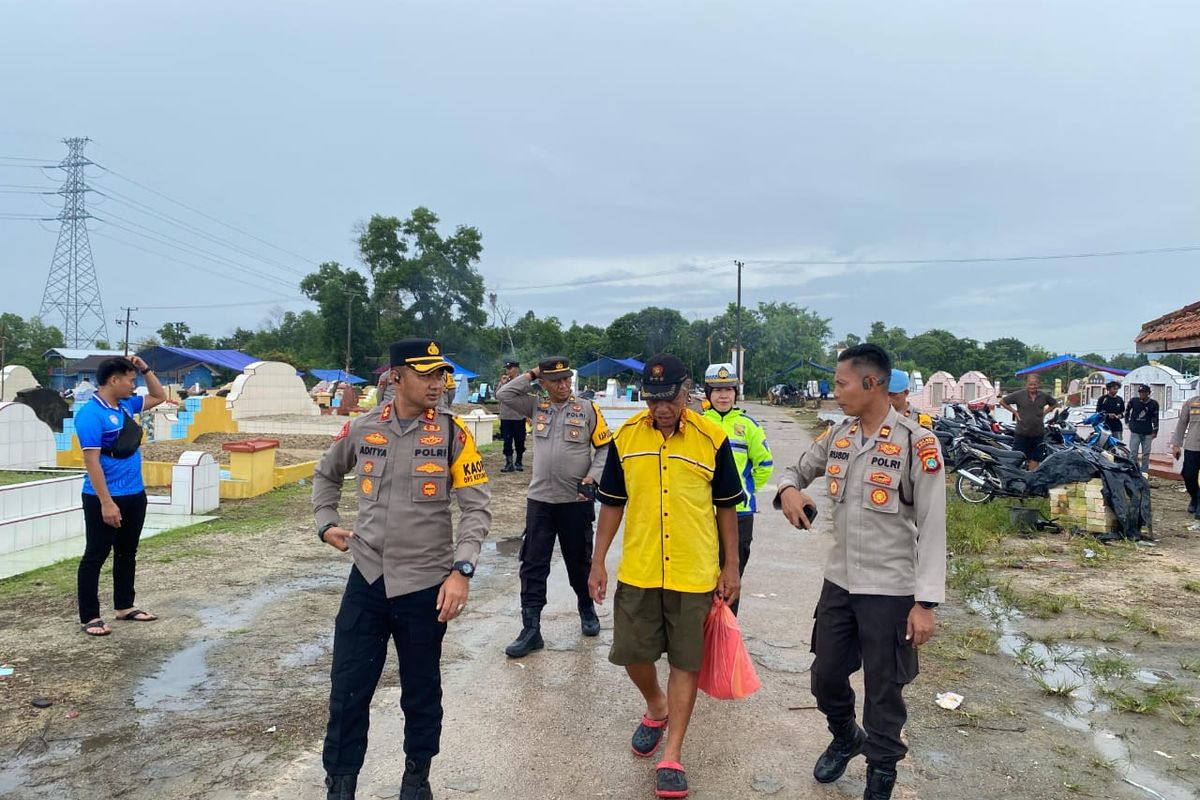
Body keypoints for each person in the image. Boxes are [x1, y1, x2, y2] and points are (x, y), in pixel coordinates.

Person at [312, 339, 491, 800]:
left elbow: (476, 509)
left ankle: (417, 775)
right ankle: (341, 781)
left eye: (440, 375)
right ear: (396, 377)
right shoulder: (362, 427)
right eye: (427, 374)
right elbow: (326, 473)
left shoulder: (454, 433)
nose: (438, 383)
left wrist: (462, 570)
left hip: (425, 585)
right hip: (367, 579)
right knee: (349, 689)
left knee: (421, 689)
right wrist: (326, 522)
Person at [774, 344, 946, 800]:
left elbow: (932, 526)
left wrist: (925, 603)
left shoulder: (917, 443)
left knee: (884, 691)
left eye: (841, 383)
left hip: (891, 590)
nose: (835, 392)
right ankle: (845, 734)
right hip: (841, 582)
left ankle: (880, 775)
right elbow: (795, 470)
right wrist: (788, 491)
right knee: (826, 676)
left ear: (872, 384)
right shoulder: (839, 436)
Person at [588, 354, 744, 800]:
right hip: (639, 567)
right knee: (632, 654)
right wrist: (598, 561)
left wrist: (730, 566)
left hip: (694, 571)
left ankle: (672, 752)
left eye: (669, 399)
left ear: (686, 391)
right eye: (652, 400)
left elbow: (727, 506)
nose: (661, 409)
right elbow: (612, 503)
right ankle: (655, 704)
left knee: (685, 661)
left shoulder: (712, 437)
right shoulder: (626, 438)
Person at [495, 357, 612, 657]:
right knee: (533, 564)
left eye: (566, 379)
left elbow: (605, 448)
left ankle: (586, 609)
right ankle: (531, 629)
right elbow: (504, 395)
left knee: (579, 561)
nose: (563, 385)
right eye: (555, 380)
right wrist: (532, 373)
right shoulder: (536, 406)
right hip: (541, 501)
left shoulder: (587, 409)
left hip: (575, 501)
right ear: (543, 383)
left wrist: (593, 477)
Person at [75, 356, 167, 636]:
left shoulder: (125, 406)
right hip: (103, 497)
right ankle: (90, 616)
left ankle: (124, 606)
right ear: (113, 380)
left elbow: (159, 396)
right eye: (130, 379)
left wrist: (145, 368)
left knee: (128, 552)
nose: (133, 385)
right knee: (96, 555)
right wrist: (106, 502)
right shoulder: (91, 415)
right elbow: (92, 462)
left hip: (133, 494)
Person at [700, 362, 774, 615]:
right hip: (700, 513)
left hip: (739, 514)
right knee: (700, 578)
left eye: (729, 390)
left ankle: (726, 634)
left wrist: (746, 491)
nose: (724, 396)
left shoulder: (749, 426)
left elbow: (764, 465)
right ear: (708, 393)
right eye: (718, 390)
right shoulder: (697, 424)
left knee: (731, 577)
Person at [1000, 374, 1057, 470]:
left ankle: (1031, 478)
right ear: (1026, 384)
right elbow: (1003, 401)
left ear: (1038, 384)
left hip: (1038, 433)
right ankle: (1015, 479)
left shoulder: (1043, 396)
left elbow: (1054, 403)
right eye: (1030, 384)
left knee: (1035, 458)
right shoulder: (1019, 395)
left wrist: (1045, 413)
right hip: (1022, 432)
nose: (1032, 387)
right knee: (1016, 458)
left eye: (1034, 384)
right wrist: (1014, 412)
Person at [1171, 393, 1200, 520]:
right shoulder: (1190, 403)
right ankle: (1195, 497)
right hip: (1193, 446)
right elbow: (1182, 424)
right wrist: (1176, 445)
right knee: (1188, 475)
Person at [496, 359, 527, 473]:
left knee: (520, 440)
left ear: (516, 369)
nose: (508, 371)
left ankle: (519, 461)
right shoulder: (504, 381)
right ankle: (509, 463)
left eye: (510, 368)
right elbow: (498, 396)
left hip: (518, 415)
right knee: (507, 441)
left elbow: (525, 397)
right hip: (506, 416)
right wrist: (502, 384)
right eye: (506, 368)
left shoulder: (522, 381)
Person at [1125, 384, 1159, 473]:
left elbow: (1156, 418)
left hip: (1147, 432)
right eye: (1140, 392)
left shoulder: (1153, 404)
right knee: (1133, 453)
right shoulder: (1134, 401)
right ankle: (1132, 471)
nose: (1141, 394)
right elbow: (1127, 411)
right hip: (1135, 430)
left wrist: (1155, 431)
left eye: (1143, 393)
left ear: (1148, 393)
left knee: (1146, 454)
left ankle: (1144, 472)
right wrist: (1127, 422)